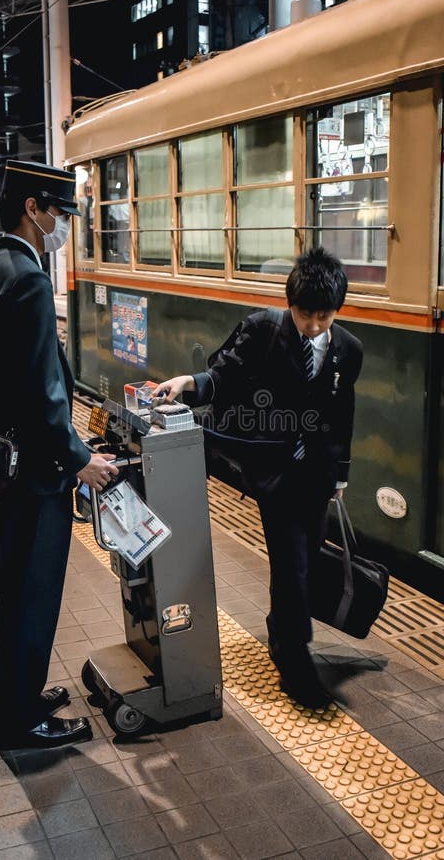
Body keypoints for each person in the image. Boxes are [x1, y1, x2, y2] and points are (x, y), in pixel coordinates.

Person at [153, 247, 363, 707]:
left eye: (323, 317)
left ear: (337, 311)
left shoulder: (349, 350)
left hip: (318, 472)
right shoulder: (264, 329)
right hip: (273, 470)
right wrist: (186, 384)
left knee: (306, 553)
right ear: (290, 304)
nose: (312, 326)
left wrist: (340, 473)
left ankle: (280, 629)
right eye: (304, 314)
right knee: (292, 561)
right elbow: (224, 374)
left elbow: (343, 412)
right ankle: (295, 656)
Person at [0, 159, 118, 751]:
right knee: (31, 594)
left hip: (3, 466)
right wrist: (81, 459)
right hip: (34, 474)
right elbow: (41, 394)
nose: (64, 225)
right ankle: (21, 722)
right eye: (59, 212)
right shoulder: (28, 278)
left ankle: (11, 697)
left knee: (5, 589)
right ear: (33, 208)